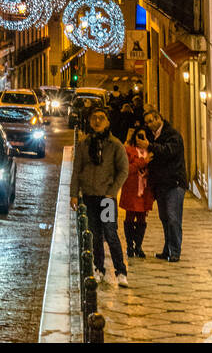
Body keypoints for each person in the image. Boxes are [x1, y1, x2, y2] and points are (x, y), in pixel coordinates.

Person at [70, 106, 130, 286]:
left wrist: (112, 192)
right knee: (94, 235)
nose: (97, 121)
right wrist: (74, 194)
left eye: (101, 117)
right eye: (94, 117)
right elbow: (77, 170)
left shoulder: (115, 145)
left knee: (111, 233)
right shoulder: (84, 144)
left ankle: (121, 271)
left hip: (107, 198)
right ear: (89, 121)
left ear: (107, 121)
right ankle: (98, 268)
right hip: (89, 196)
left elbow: (123, 170)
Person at [144, 107, 187, 261]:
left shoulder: (172, 135)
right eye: (147, 122)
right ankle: (167, 249)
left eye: (151, 121)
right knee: (164, 218)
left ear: (158, 119)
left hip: (174, 183)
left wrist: (149, 146)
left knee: (173, 217)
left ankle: (175, 252)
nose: (149, 124)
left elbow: (168, 151)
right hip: (160, 183)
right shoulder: (152, 136)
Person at [121, 125, 154, 258]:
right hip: (132, 189)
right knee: (129, 217)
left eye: (144, 136)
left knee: (142, 218)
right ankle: (129, 246)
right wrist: (143, 162)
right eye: (139, 136)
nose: (141, 139)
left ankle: (138, 246)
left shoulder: (151, 151)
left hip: (145, 191)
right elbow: (126, 170)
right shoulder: (128, 151)